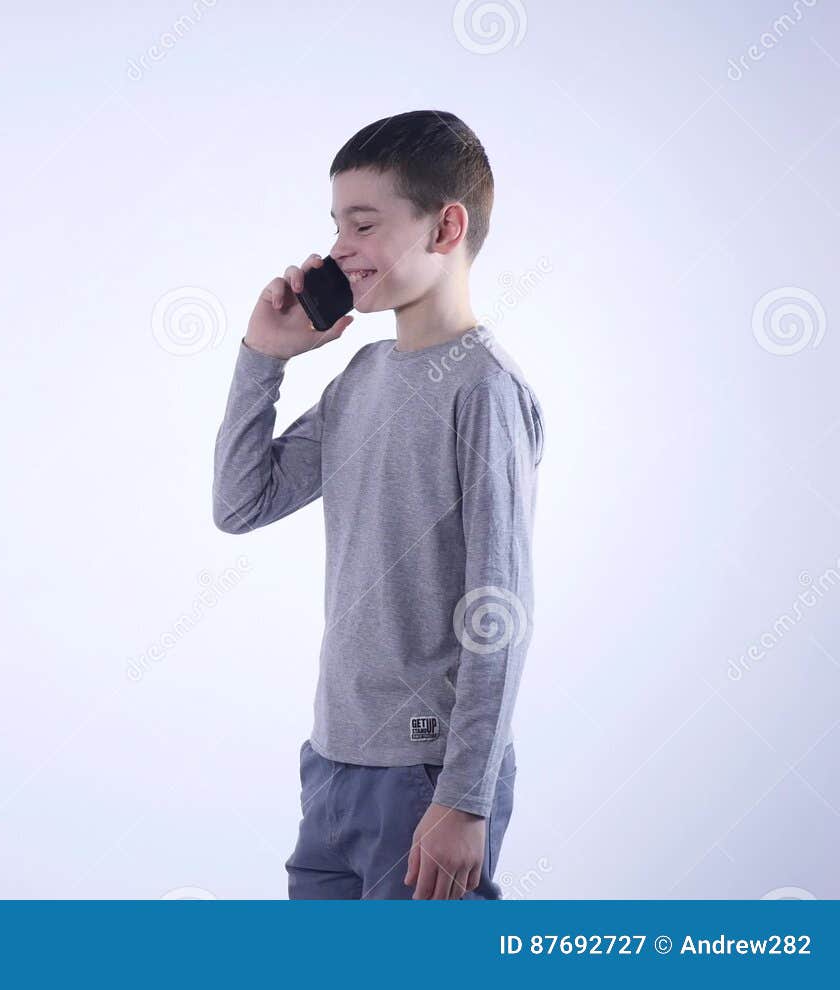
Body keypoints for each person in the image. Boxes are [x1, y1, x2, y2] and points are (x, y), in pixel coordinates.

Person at [212, 110, 544, 899]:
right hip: (333, 763)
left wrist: (464, 796)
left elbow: (501, 606)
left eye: (364, 223)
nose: (337, 249)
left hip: (427, 777)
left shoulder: (486, 390)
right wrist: (262, 356)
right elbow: (241, 503)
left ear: (445, 227)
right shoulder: (360, 377)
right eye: (335, 225)